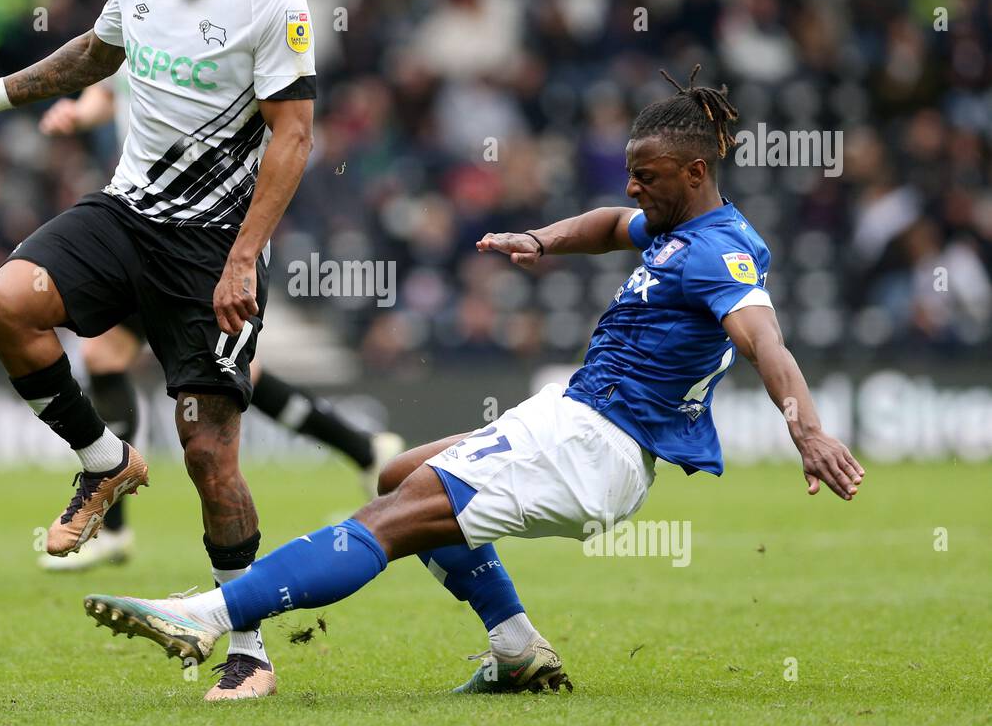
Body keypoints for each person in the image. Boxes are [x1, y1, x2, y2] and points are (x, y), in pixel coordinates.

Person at [83, 69, 866, 694]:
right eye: (630, 173)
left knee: (387, 520)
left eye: (647, 177)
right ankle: (517, 647)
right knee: (399, 473)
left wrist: (808, 429)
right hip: (579, 421)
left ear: (696, 172)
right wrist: (542, 240)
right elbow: (602, 223)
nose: (633, 189)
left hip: (593, 442)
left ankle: (207, 614)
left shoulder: (721, 251)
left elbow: (767, 344)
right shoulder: (674, 225)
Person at [0, 0, 324, 700]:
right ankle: (103, 461)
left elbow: (292, 138)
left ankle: (247, 647)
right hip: (125, 215)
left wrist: (244, 258)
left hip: (212, 248)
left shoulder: (275, 0)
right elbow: (94, 56)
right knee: (2, 305)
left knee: (210, 455)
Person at [36, 80, 402, 572]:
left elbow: (283, 127)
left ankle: (121, 529)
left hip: (193, 237)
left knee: (208, 381)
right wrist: (80, 113)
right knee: (213, 373)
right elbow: (109, 90)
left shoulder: (206, 32)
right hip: (146, 224)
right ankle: (365, 449)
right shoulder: (137, 18)